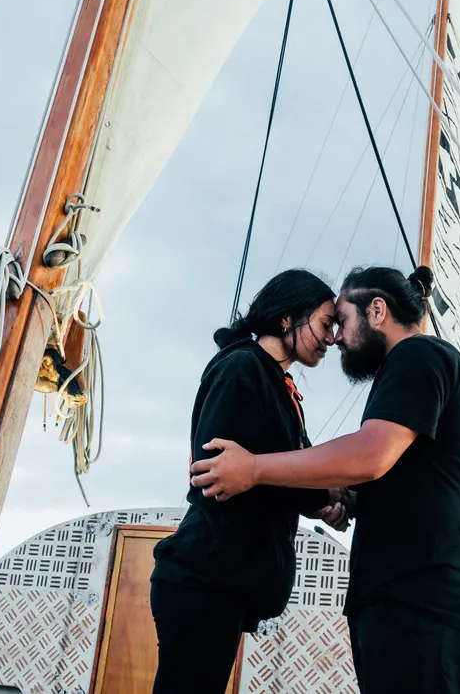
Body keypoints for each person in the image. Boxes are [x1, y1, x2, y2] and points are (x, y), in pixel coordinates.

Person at [190, 264, 460, 694]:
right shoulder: (424, 367)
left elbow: (371, 455)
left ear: (376, 310)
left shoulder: (417, 355)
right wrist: (344, 495)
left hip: (417, 604)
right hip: (422, 602)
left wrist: (254, 468)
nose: (335, 337)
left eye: (341, 320)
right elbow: (407, 475)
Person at [149, 269, 348, 694]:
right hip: (203, 580)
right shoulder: (242, 367)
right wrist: (324, 490)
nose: (332, 337)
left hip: (224, 585)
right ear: (286, 318)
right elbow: (220, 471)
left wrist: (323, 500)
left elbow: (294, 470)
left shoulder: (280, 385)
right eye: (325, 323)